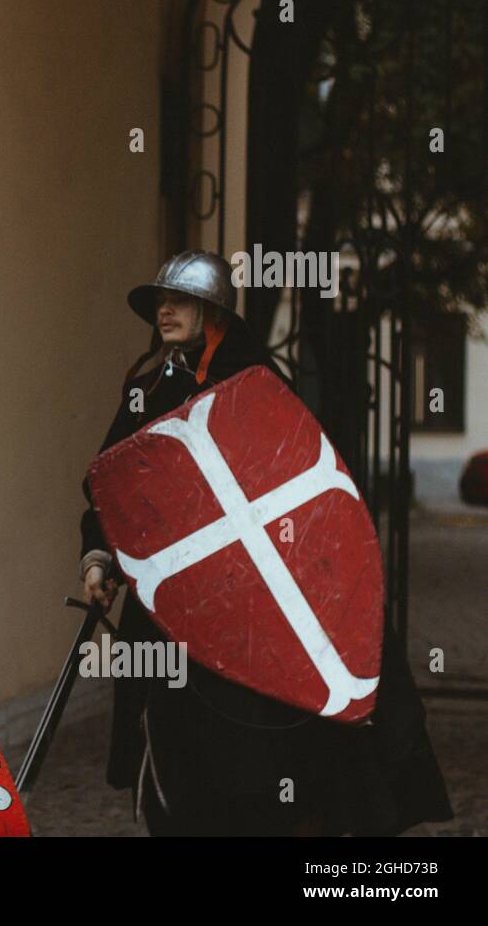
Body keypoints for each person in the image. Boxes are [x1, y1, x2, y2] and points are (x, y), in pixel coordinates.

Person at [78, 250, 453, 836]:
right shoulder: (145, 383)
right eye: (160, 302)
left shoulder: (254, 384)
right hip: (175, 605)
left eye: (180, 300)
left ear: (213, 310)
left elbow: (297, 497)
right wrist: (100, 556)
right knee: (176, 744)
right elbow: (119, 489)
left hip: (253, 608)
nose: (165, 310)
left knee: (263, 749)